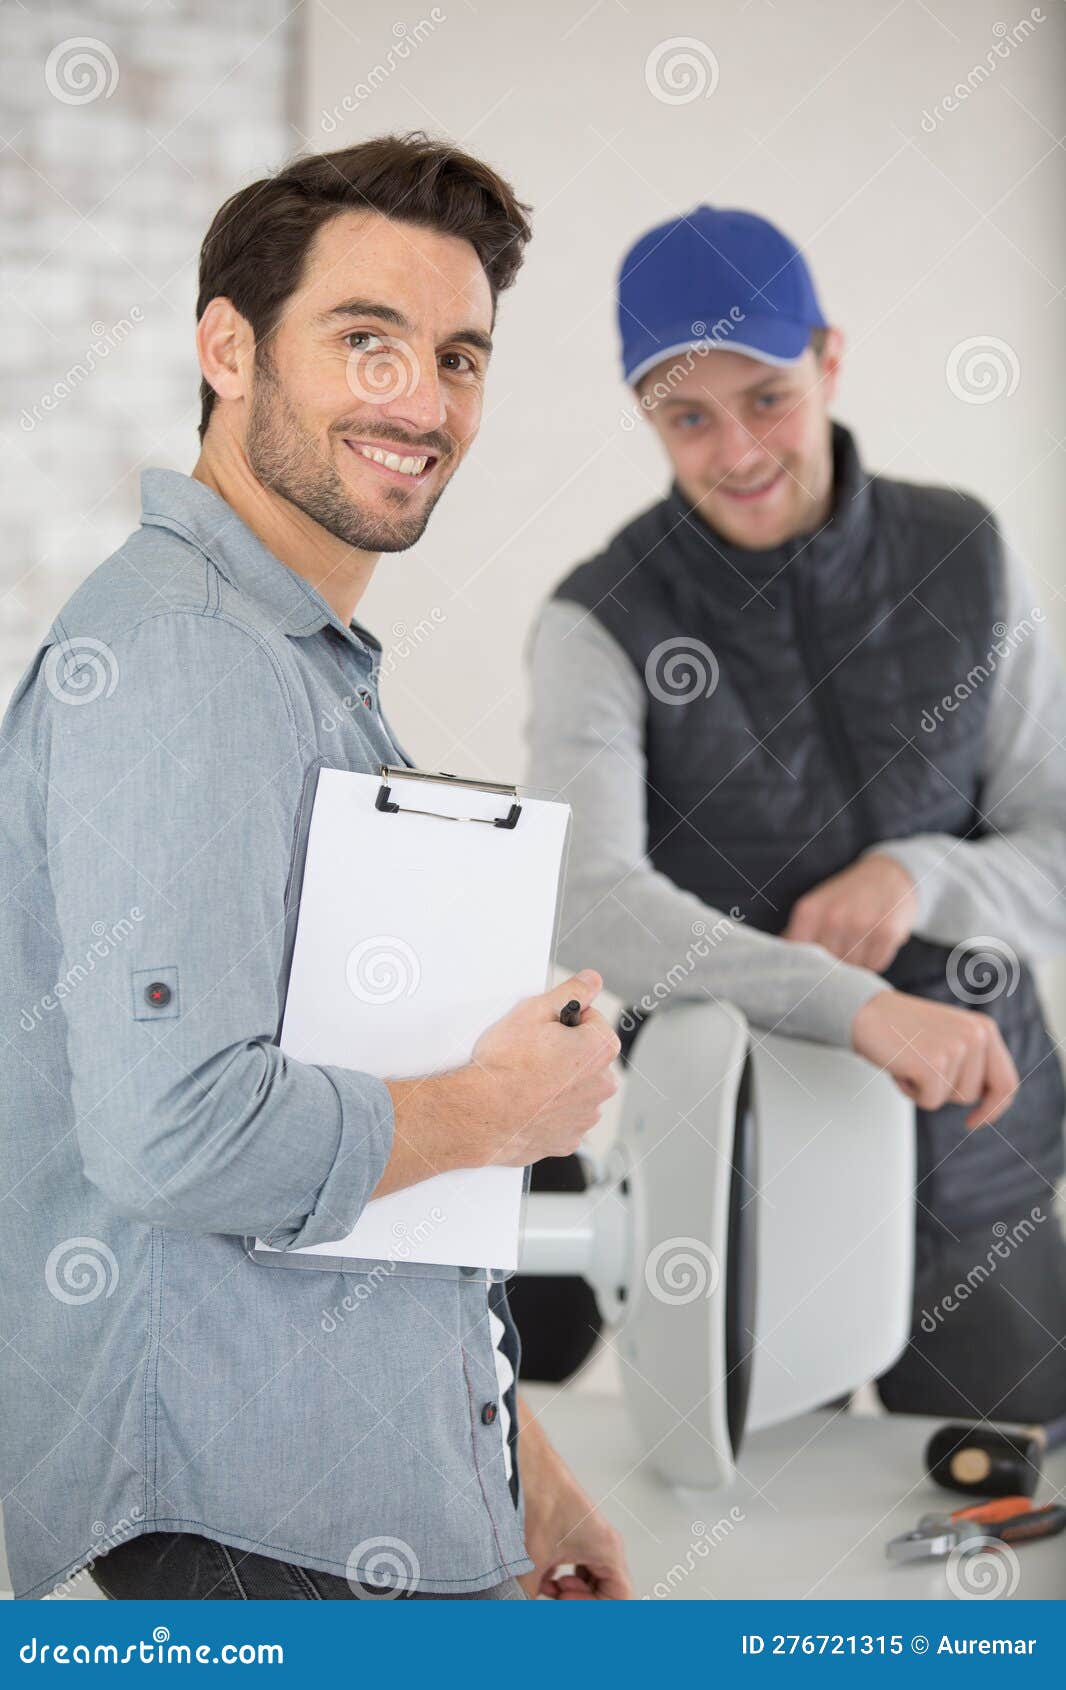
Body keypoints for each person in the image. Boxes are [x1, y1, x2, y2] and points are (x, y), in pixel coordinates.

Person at [0, 135, 632, 1602]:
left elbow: (346, 1136)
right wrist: (503, 1108)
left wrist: (518, 1471)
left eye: (458, 358)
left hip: (344, 1493)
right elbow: (181, 1137)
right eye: (366, 342)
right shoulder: (186, 656)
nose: (421, 402)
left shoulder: (305, 666)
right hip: (246, 1525)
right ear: (228, 348)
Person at [515, 204, 1066, 1420]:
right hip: (744, 1177)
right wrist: (858, 1007)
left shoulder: (964, 552)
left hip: (982, 1156)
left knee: (1015, 1516)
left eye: (764, 395)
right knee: (770, 1553)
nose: (736, 449)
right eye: (686, 416)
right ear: (646, 416)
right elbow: (590, 899)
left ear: (827, 357)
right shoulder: (596, 619)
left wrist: (918, 877)